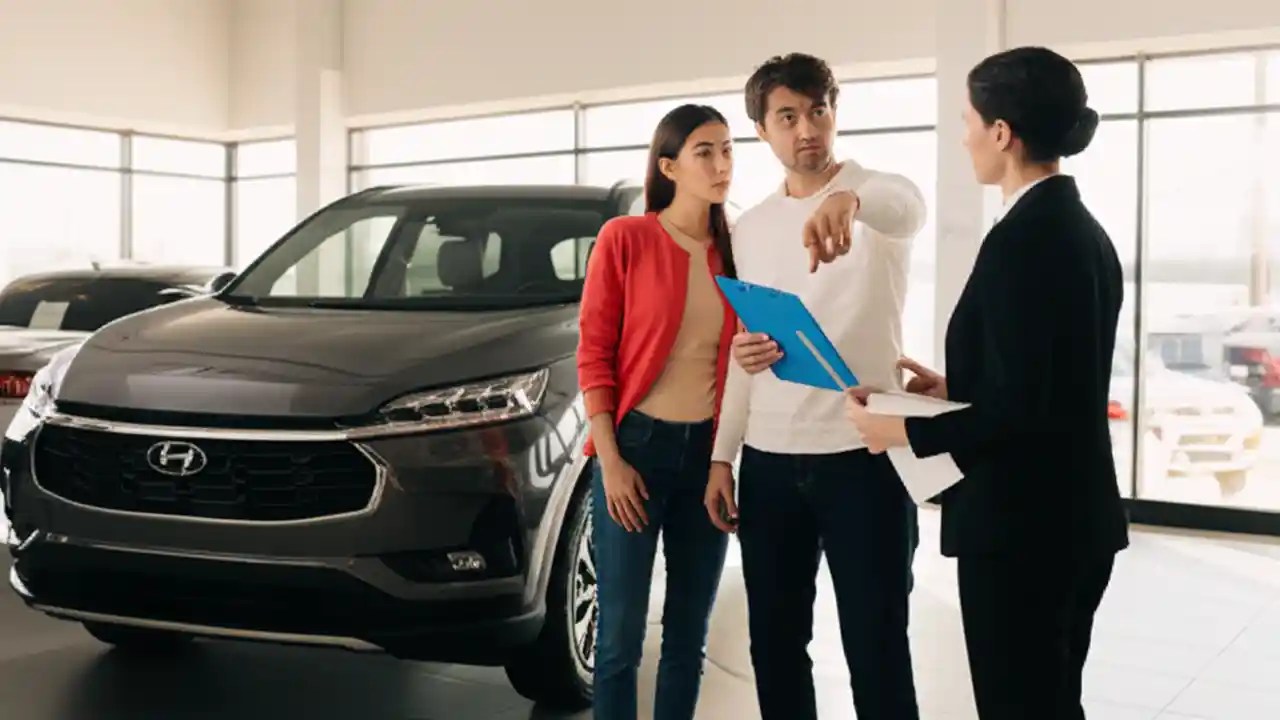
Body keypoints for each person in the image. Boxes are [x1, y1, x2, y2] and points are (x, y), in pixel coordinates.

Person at [843, 46, 1130, 719]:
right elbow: (1050, 380)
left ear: (1002, 133)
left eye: (968, 121)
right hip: (1073, 519)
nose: (963, 136)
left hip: (1024, 530)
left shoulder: (1025, 240)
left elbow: (1019, 413)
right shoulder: (1080, 230)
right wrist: (956, 385)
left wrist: (899, 430)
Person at [701, 53, 927, 720]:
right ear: (762, 131)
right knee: (775, 647)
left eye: (818, 111)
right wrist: (723, 456)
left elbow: (908, 207)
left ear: (834, 113)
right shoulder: (750, 227)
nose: (807, 129)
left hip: (865, 458)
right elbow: (745, 353)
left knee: (877, 647)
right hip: (770, 463)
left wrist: (848, 201)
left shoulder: (877, 195)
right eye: (787, 116)